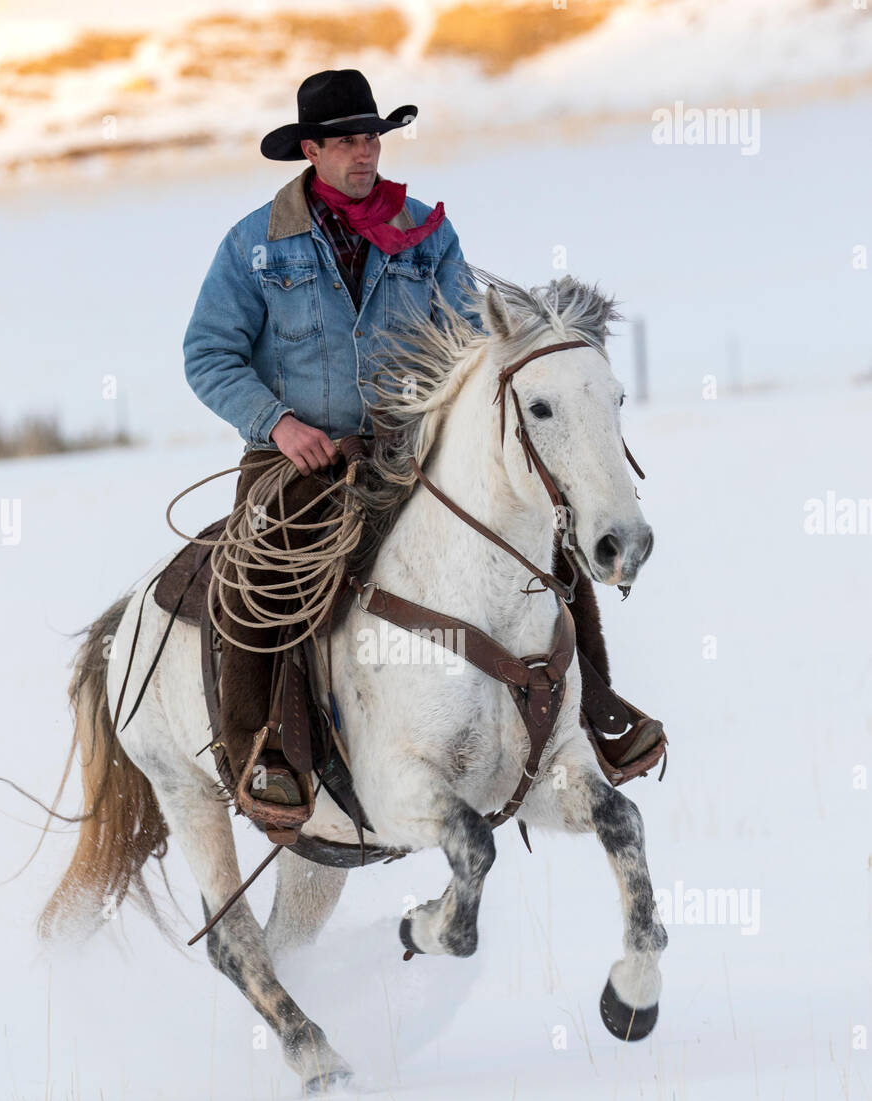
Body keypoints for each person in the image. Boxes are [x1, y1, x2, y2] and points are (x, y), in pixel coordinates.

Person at [182, 69, 665, 835]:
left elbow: (469, 337)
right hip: (298, 459)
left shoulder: (425, 230)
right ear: (309, 150)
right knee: (258, 567)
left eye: (372, 136)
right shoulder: (255, 245)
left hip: (413, 451)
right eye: (345, 140)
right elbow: (208, 354)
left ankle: (597, 707)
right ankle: (266, 747)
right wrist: (279, 425)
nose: (364, 151)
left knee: (547, 543)